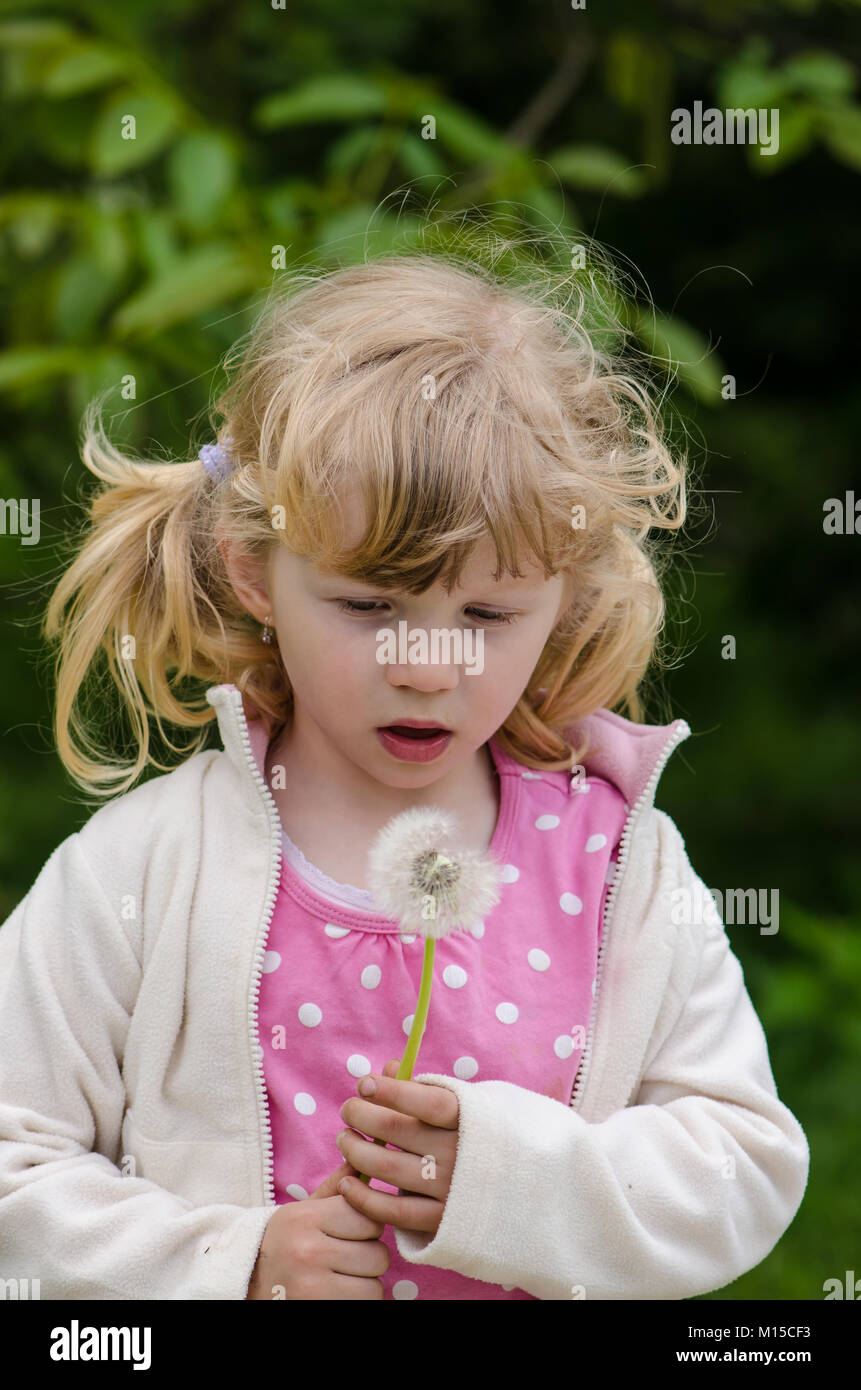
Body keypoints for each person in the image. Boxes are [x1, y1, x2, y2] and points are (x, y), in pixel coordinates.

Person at [0, 242, 809, 1300]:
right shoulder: (144, 867)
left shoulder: (618, 867)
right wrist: (230, 1264)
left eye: (486, 614)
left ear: (563, 594)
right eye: (368, 605)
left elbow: (742, 1165)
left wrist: (510, 1179)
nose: (428, 665)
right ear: (255, 572)